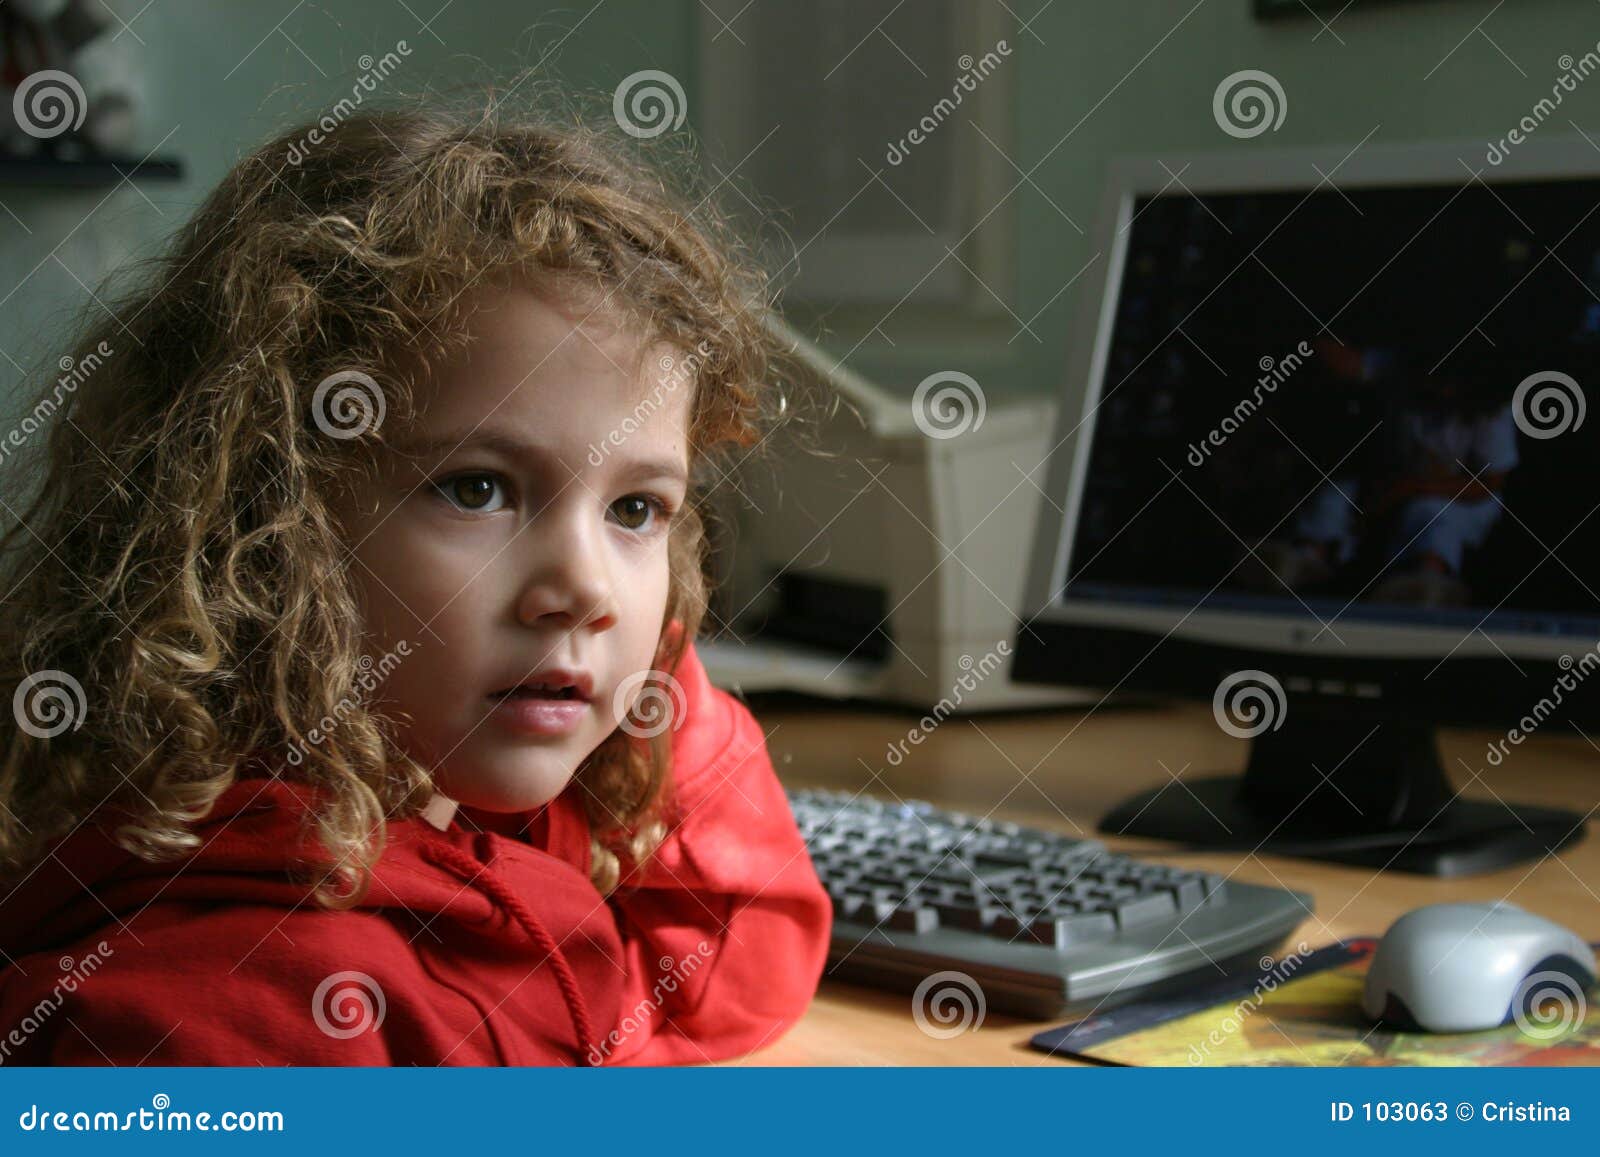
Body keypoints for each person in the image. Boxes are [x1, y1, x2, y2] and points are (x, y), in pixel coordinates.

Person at [0, 94, 830, 1066]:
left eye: (635, 509)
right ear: (262, 518)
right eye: (476, 488)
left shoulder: (467, 803)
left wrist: (643, 677)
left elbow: (726, 955)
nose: (585, 585)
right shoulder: (230, 1012)